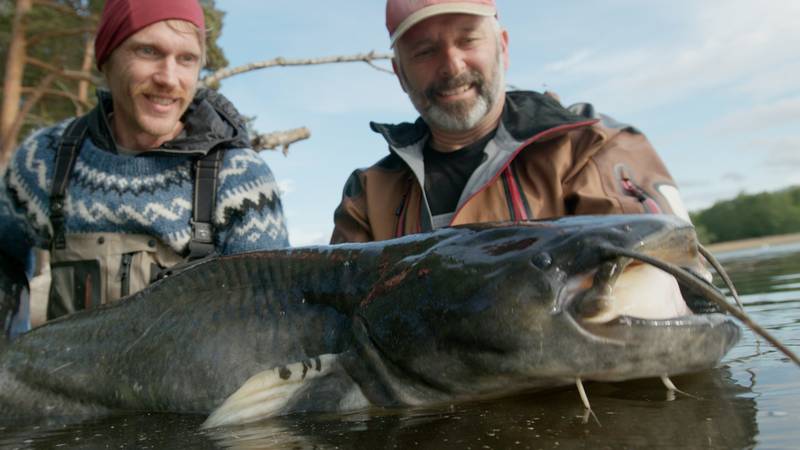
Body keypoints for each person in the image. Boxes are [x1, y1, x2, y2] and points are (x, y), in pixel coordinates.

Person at [0, 0, 288, 330]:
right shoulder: (45, 159)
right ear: (106, 59)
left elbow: (269, 321)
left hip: (192, 382)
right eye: (148, 51)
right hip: (57, 381)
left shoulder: (241, 181)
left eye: (186, 59)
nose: (168, 77)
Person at [331, 0, 690, 243]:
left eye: (468, 40)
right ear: (399, 72)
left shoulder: (593, 147)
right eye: (425, 51)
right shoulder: (366, 195)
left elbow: (672, 283)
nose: (452, 65)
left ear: (502, 47)